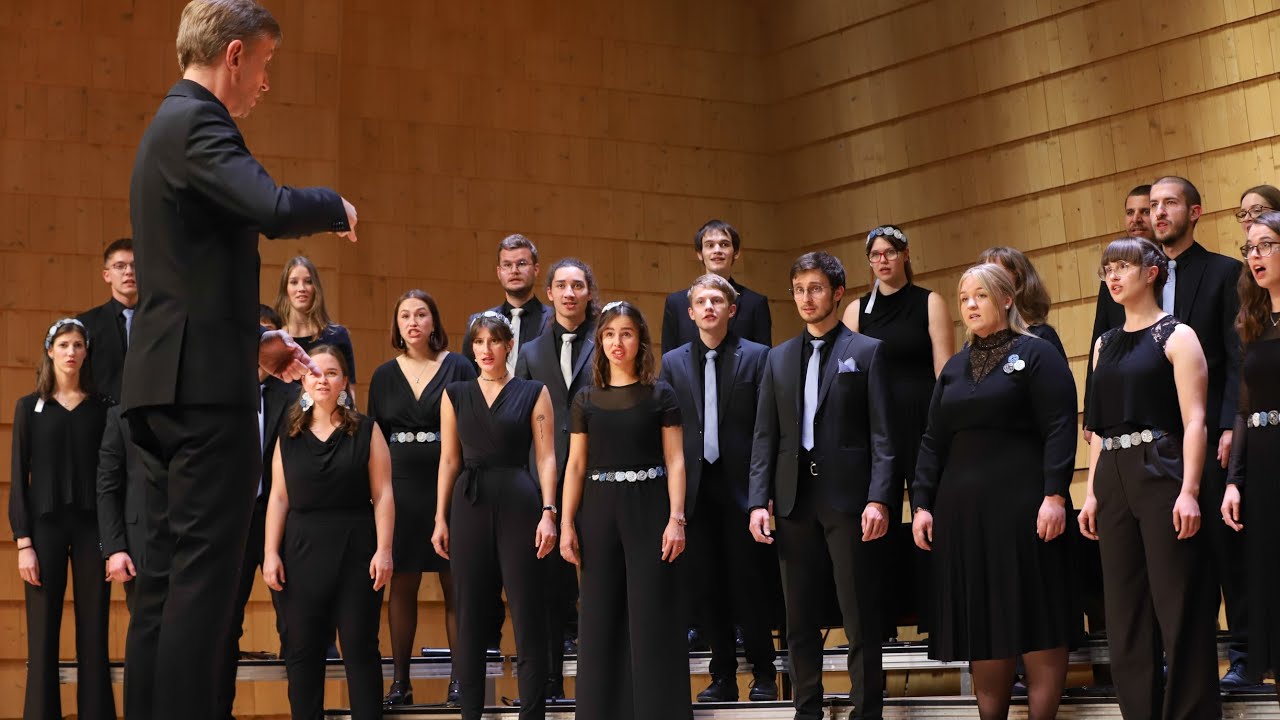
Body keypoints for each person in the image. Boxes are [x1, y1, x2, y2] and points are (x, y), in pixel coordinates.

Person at [121, 2, 358, 717]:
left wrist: (252, 342)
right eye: (264, 64)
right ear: (232, 54)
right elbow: (273, 206)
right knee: (204, 584)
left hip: (166, 384)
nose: (264, 82)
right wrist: (335, 205)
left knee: (164, 589)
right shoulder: (198, 120)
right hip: (200, 399)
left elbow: (187, 272)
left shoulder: (167, 125)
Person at [911, 264, 1078, 720]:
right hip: (964, 514)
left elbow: (1061, 426)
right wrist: (922, 503)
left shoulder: (1038, 354)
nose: (969, 305)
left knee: (1036, 613)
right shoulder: (954, 367)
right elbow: (932, 440)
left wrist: (1055, 495)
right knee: (983, 619)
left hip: (1024, 507)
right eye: (964, 297)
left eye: (980, 296)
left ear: (1006, 299)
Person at [1078, 237, 1221, 720]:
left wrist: (1190, 490)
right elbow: (1097, 428)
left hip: (1160, 465)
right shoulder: (1104, 343)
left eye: (1123, 266)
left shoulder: (1177, 335)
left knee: (1176, 601)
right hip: (1113, 474)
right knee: (1124, 609)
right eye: (1107, 269)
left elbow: (1196, 419)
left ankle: (1190, 712)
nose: (1113, 276)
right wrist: (1092, 493)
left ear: (1152, 272)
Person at [749, 251, 894, 720]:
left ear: (837, 293)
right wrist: (757, 501)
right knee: (799, 617)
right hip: (793, 500)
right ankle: (806, 708)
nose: (806, 298)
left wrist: (880, 497)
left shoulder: (866, 351)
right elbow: (764, 436)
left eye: (815, 289)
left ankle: (866, 708)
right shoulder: (778, 358)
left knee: (859, 614)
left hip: (849, 498)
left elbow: (883, 436)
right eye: (798, 289)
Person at [560, 301, 692, 720]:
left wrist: (676, 518)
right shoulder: (585, 398)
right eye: (610, 334)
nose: (618, 342)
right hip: (598, 510)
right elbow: (576, 465)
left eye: (627, 333)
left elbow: (676, 461)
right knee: (599, 613)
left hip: (650, 508)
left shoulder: (660, 393)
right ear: (600, 341)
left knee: (652, 612)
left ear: (640, 340)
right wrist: (565, 522)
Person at [432, 312, 559, 719]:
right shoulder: (454, 393)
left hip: (520, 502)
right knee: (469, 612)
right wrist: (439, 517)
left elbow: (547, 457)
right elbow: (449, 458)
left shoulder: (534, 391)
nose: (486, 350)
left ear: (509, 345)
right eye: (478, 342)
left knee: (526, 610)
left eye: (494, 341)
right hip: (468, 502)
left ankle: (533, 712)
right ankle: (470, 712)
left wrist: (549, 511)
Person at [660, 274, 779, 703]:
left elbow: (769, 429)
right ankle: (722, 675)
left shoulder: (759, 357)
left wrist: (763, 492)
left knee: (749, 583)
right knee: (706, 586)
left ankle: (764, 674)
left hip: (743, 489)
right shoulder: (672, 362)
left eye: (717, 300)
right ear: (690, 313)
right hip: (694, 490)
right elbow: (668, 431)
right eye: (701, 302)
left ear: (732, 310)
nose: (709, 307)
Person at [262, 345, 393, 720]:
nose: (323, 379)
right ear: (303, 379)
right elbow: (279, 497)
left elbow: (383, 494)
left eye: (332, 372)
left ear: (345, 381)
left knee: (360, 650)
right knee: (302, 654)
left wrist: (384, 550)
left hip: (356, 549)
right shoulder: (287, 434)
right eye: (315, 372)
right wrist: (270, 552)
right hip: (300, 552)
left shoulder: (367, 430)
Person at [367, 290, 477, 706]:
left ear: (434, 322)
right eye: (404, 316)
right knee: (403, 585)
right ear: (396, 326)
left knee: (456, 586)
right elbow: (374, 439)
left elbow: (472, 425)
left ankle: (460, 682)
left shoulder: (459, 366)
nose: (412, 322)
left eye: (421, 314)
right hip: (399, 490)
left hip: (450, 485)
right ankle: (400, 682)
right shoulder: (382, 376)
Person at [842, 224, 952, 639]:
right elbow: (848, 377)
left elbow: (944, 372)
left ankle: (939, 619)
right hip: (876, 428)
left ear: (905, 255)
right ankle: (881, 624)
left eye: (890, 252)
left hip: (923, 420)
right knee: (877, 522)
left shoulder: (930, 302)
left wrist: (944, 427)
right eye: (875, 255)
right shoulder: (856, 311)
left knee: (930, 515)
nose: (883, 260)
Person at [10, 319, 115, 720]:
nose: (71, 352)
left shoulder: (104, 408)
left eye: (77, 345)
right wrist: (24, 542)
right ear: (49, 351)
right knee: (42, 637)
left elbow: (112, 477)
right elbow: (19, 478)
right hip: (44, 530)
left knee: (94, 632)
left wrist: (114, 541)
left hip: (93, 529)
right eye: (63, 345)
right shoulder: (28, 408)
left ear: (86, 352)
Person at [513, 257, 599, 699]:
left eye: (577, 286)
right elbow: (520, 417)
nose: (569, 293)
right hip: (543, 478)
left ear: (588, 293)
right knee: (546, 585)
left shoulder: (606, 340)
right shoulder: (528, 353)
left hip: (598, 473)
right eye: (561, 286)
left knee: (598, 581)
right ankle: (548, 684)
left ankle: (601, 685)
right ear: (549, 294)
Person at [217, 305, 298, 718]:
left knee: (295, 626)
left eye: (269, 336)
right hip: (232, 521)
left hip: (281, 517)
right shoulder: (223, 391)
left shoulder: (293, 392)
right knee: (225, 623)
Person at [1222, 210, 1280, 704]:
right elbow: (1244, 409)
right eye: (1249, 249)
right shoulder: (1254, 320)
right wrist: (1234, 480)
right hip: (1261, 463)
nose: (1254, 256)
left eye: (1265, 245)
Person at [1083, 185, 1153, 433]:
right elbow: (1098, 338)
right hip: (1121, 394)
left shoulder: (1173, 271)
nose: (1136, 219)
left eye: (1145, 211)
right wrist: (1091, 413)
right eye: (1130, 212)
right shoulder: (1111, 281)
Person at [662, 219, 772, 353]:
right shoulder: (676, 303)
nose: (717, 250)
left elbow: (764, 362)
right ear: (699, 254)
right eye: (710, 245)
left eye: (724, 244)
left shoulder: (755, 303)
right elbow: (668, 359)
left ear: (736, 253)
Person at [465, 234, 554, 372]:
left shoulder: (554, 319)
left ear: (536, 270)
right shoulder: (478, 321)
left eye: (522, 264)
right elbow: (469, 374)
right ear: (499, 272)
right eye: (507, 265)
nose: (514, 271)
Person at [274, 256, 358, 399]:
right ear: (285, 290)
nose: (301, 288)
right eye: (294, 282)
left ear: (315, 288)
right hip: (284, 419)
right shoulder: (276, 339)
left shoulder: (337, 335)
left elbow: (348, 391)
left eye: (308, 282)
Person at [977, 246, 1066, 358]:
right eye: (983, 274)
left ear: (1019, 277)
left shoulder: (1041, 335)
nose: (987, 280)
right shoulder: (974, 344)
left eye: (995, 272)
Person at [78, 237, 137, 404]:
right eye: (120, 266)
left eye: (135, 265)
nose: (128, 272)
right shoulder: (87, 323)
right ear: (107, 275)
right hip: (101, 419)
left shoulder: (161, 322)